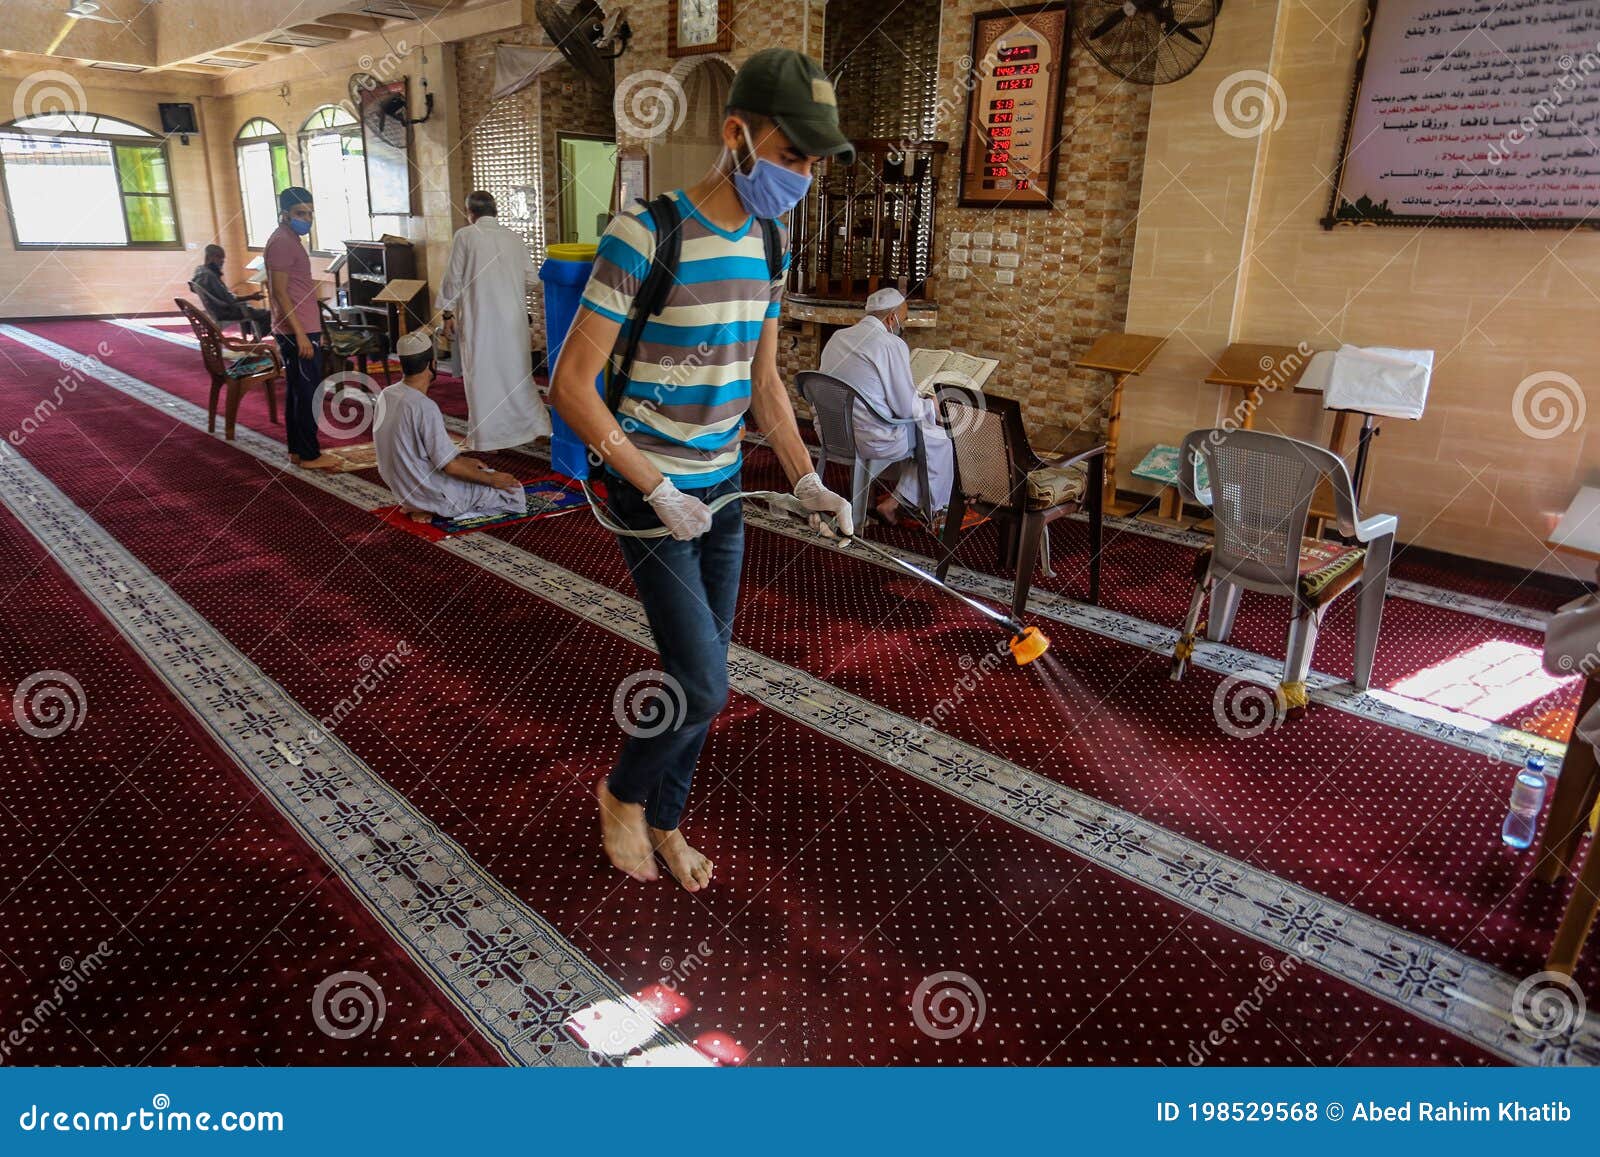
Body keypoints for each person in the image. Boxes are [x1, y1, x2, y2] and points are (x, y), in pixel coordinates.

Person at [550, 48, 855, 892]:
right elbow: (571, 386)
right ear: (738, 136)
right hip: (646, 487)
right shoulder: (647, 233)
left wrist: (804, 477)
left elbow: (763, 381)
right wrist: (652, 484)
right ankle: (622, 793)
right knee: (704, 681)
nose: (801, 175)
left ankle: (668, 821)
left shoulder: (769, 238)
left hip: (721, 486)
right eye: (792, 155)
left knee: (705, 675)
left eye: (811, 162)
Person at [819, 287, 954, 524]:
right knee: (940, 436)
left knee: (921, 433)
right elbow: (906, 408)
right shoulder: (891, 344)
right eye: (903, 319)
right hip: (872, 439)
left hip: (832, 432)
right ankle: (908, 505)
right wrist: (931, 405)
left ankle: (875, 499)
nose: (903, 326)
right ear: (891, 318)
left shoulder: (837, 337)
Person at [374, 329, 527, 523]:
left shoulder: (386, 394)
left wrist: (465, 462)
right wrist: (490, 479)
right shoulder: (423, 406)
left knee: (473, 469)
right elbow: (450, 467)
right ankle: (449, 511)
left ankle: (418, 505)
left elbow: (425, 454)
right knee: (513, 493)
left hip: (403, 489)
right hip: (430, 490)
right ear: (432, 364)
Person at [437, 191, 550, 452]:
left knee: (482, 376)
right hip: (513, 320)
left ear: (470, 212)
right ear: (495, 211)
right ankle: (536, 427)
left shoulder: (465, 236)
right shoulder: (513, 237)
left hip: (480, 319)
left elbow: (453, 278)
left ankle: (489, 438)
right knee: (518, 373)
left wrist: (447, 313)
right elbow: (532, 279)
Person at [264, 186, 340, 470]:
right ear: (284, 214)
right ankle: (310, 455)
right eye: (300, 213)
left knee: (298, 390)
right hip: (298, 331)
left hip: (300, 328)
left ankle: (297, 450)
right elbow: (279, 292)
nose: (306, 218)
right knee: (308, 392)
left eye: (310, 213)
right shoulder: (282, 241)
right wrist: (300, 334)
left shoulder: (289, 238)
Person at [191, 244, 270, 338]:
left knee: (256, 312)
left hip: (217, 310)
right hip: (226, 312)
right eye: (220, 258)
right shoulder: (209, 276)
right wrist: (251, 297)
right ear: (210, 257)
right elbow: (229, 299)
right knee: (269, 315)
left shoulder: (200, 271)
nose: (222, 261)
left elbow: (193, 289)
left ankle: (255, 335)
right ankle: (257, 339)